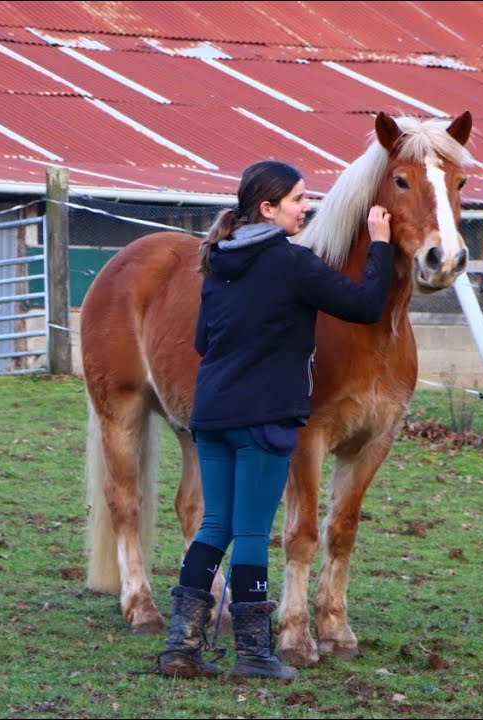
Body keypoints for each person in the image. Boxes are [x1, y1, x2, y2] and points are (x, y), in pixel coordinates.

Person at [156, 160, 393, 681]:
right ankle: (254, 654)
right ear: (267, 208)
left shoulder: (218, 260)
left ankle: (182, 645)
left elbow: (202, 343)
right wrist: (378, 244)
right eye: (297, 199)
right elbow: (365, 303)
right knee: (252, 532)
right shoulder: (291, 263)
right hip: (263, 421)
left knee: (214, 527)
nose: (306, 207)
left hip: (212, 416)